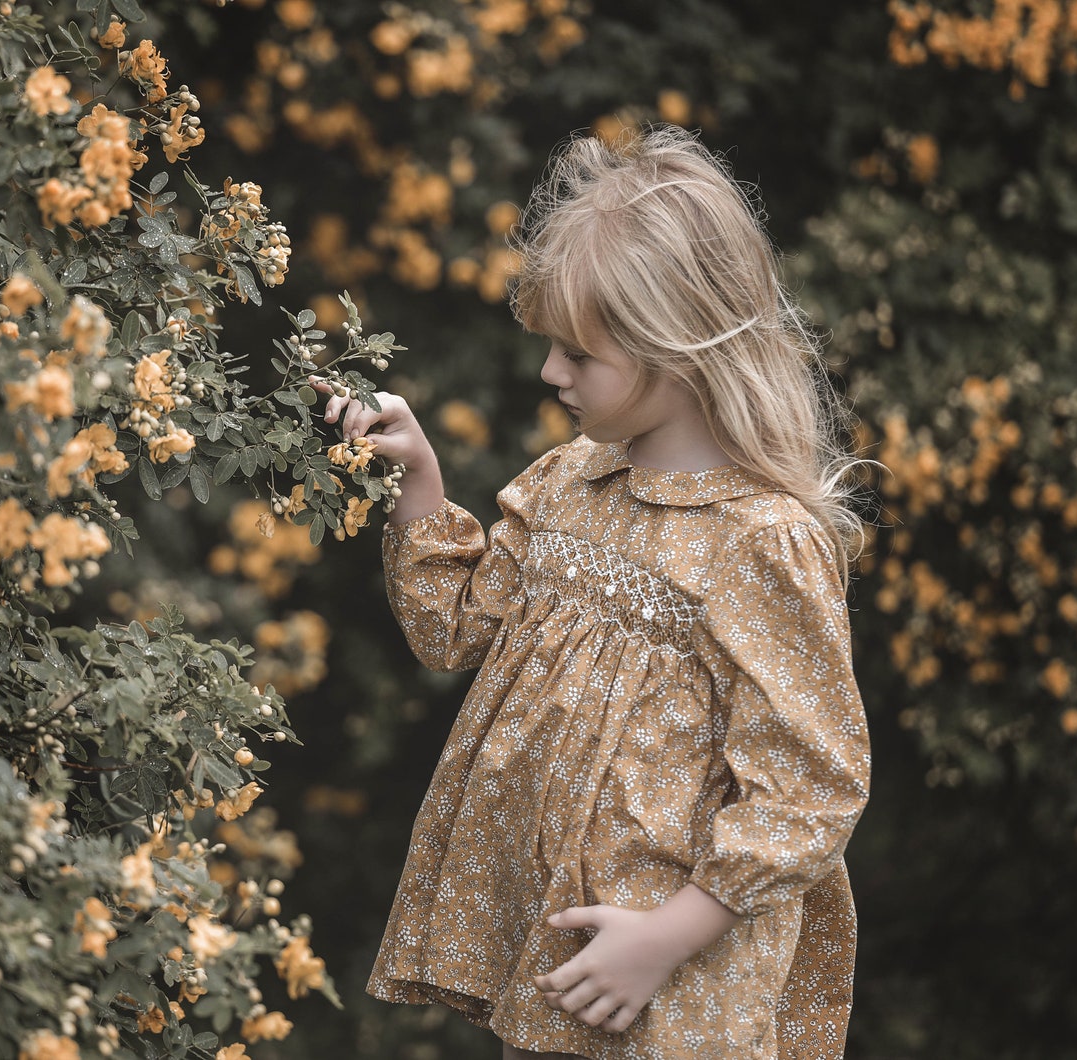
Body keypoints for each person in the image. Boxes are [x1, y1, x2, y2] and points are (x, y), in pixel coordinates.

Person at [309, 125, 872, 1060]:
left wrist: (663, 939)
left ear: (678, 350)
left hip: (674, 982)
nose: (549, 372)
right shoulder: (572, 481)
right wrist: (418, 487)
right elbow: (453, 631)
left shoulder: (762, 543)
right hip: (562, 948)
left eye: (578, 354)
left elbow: (809, 790)